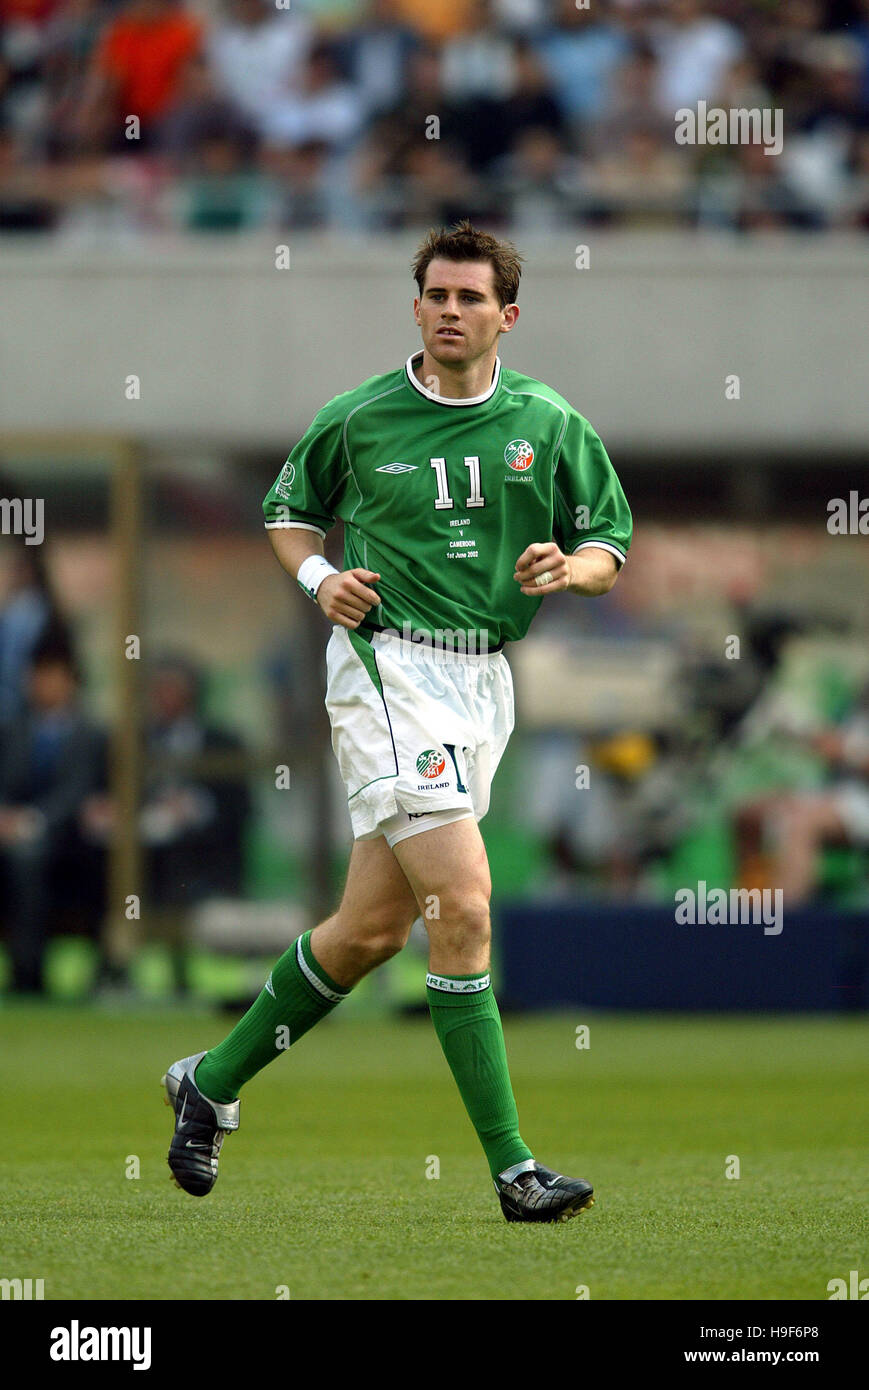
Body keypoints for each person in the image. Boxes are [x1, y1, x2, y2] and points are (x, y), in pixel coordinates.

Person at [163, 220, 632, 1222]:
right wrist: (322, 575)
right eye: (437, 295)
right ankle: (513, 1170)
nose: (451, 311)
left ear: (507, 315)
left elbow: (606, 539)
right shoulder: (359, 416)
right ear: (415, 306)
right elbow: (286, 511)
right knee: (460, 906)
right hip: (388, 667)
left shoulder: (547, 422)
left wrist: (568, 568)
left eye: (471, 298)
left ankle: (208, 1082)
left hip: (484, 680)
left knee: (369, 930)